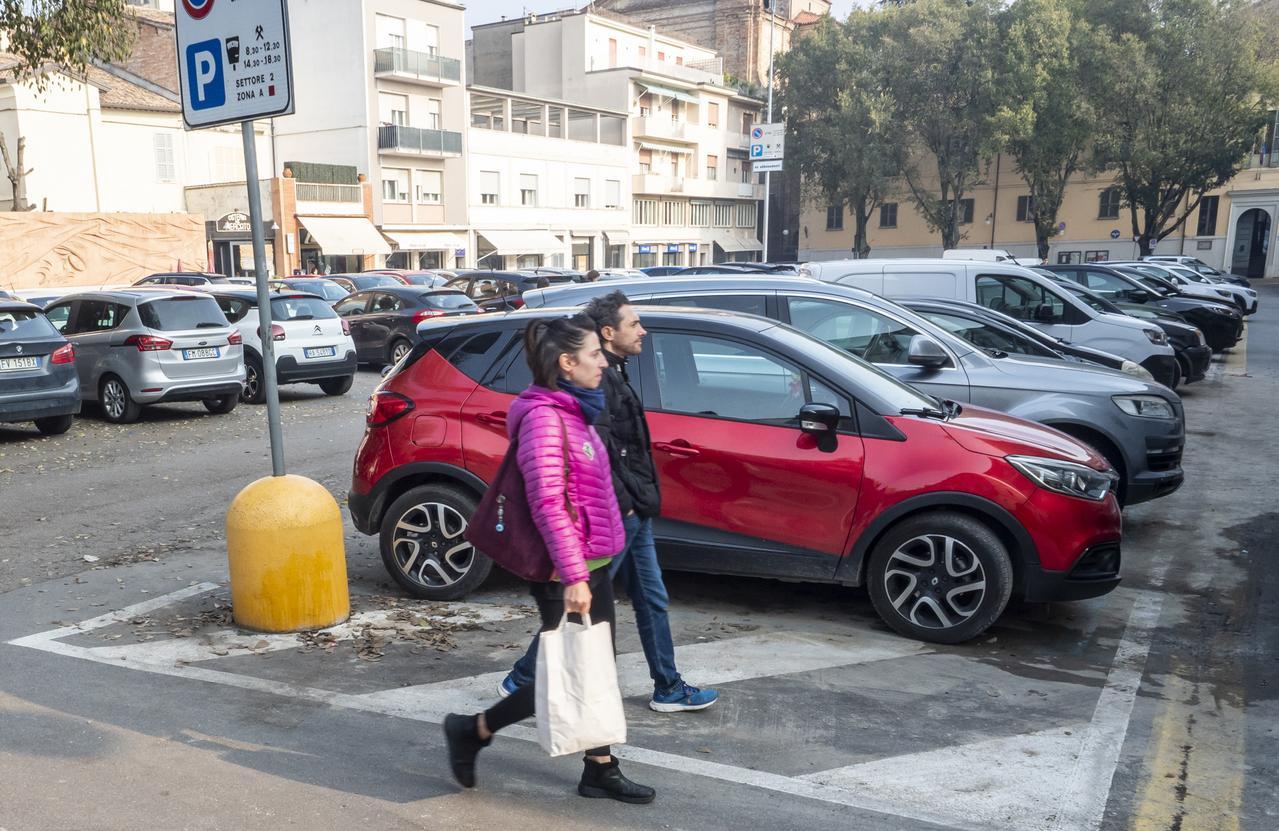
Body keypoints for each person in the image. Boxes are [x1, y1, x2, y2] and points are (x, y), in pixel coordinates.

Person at [444, 314, 656, 805]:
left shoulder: (572, 409)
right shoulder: (544, 418)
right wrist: (575, 576)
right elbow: (547, 502)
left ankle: (599, 767)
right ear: (566, 363)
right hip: (566, 569)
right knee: (567, 672)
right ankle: (473, 729)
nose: (603, 362)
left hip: (590, 562)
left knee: (590, 666)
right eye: (593, 355)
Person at [499, 290, 719, 713]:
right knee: (581, 606)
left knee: (647, 599)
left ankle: (666, 686)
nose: (643, 331)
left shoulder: (609, 375)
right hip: (616, 517)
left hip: (629, 513)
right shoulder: (592, 387)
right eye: (634, 324)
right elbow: (591, 463)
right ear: (606, 333)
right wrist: (628, 503)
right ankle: (521, 684)